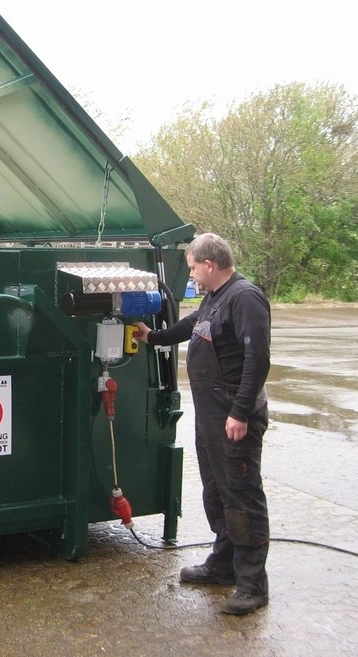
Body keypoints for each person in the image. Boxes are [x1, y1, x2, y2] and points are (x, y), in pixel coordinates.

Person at [136, 232, 271, 616]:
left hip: (233, 414)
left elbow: (257, 360)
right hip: (213, 414)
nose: (192, 274)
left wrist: (241, 413)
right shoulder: (215, 297)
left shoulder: (245, 298)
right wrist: (153, 337)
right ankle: (223, 563)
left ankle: (252, 585)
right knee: (216, 490)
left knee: (242, 496)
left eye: (194, 267)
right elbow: (191, 325)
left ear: (210, 265)